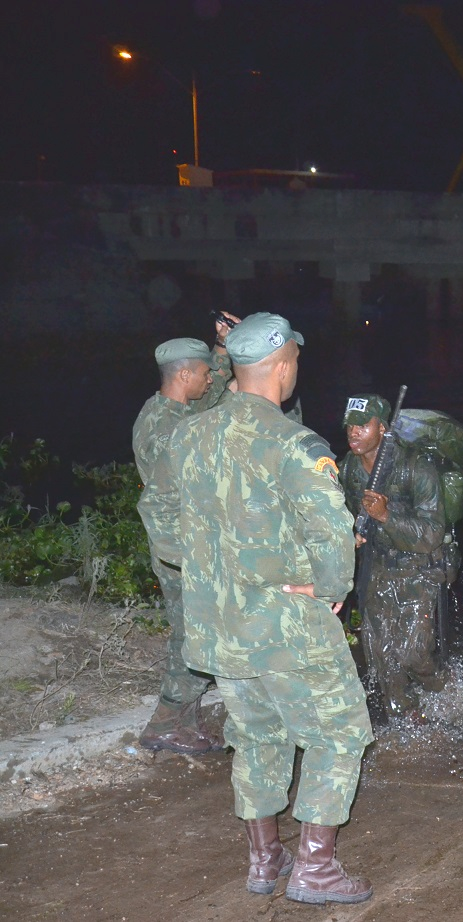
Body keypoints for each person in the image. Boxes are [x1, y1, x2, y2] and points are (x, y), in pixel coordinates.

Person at [148, 312, 374, 904]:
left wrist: (201, 563)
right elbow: (331, 531)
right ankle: (316, 868)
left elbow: (159, 514)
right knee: (338, 731)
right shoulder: (293, 443)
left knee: (255, 736)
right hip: (287, 623)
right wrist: (328, 588)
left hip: (220, 623)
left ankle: (264, 860)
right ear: (280, 366)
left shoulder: (189, 434)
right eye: (294, 358)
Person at [132, 315, 237, 754]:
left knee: (189, 631)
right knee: (194, 636)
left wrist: (223, 351)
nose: (211, 379)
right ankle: (164, 722)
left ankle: (185, 724)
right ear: (184, 375)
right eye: (205, 372)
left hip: (187, 541)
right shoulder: (164, 429)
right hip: (180, 545)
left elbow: (207, 399)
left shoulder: (171, 409)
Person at [340, 393, 449, 720]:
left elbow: (432, 533)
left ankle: (445, 692)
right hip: (375, 568)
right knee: (381, 655)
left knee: (414, 654)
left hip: (419, 569)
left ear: (383, 429)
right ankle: (406, 718)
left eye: (363, 425)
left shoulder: (416, 466)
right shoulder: (347, 468)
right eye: (349, 426)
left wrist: (387, 517)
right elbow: (340, 515)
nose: (354, 432)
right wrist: (351, 534)